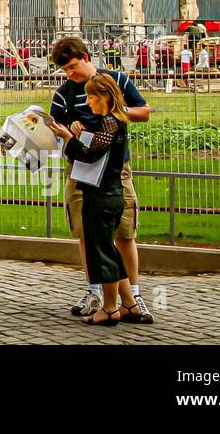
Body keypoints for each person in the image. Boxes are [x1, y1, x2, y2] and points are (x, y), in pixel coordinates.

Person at [49, 36, 153, 323]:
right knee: (87, 232)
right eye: (65, 71)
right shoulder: (64, 93)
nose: (70, 75)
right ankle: (96, 290)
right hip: (80, 167)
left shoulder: (115, 81)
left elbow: (144, 111)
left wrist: (113, 115)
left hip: (114, 169)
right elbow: (55, 127)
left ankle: (133, 294)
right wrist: (69, 129)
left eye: (72, 67)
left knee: (123, 231)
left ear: (85, 56)